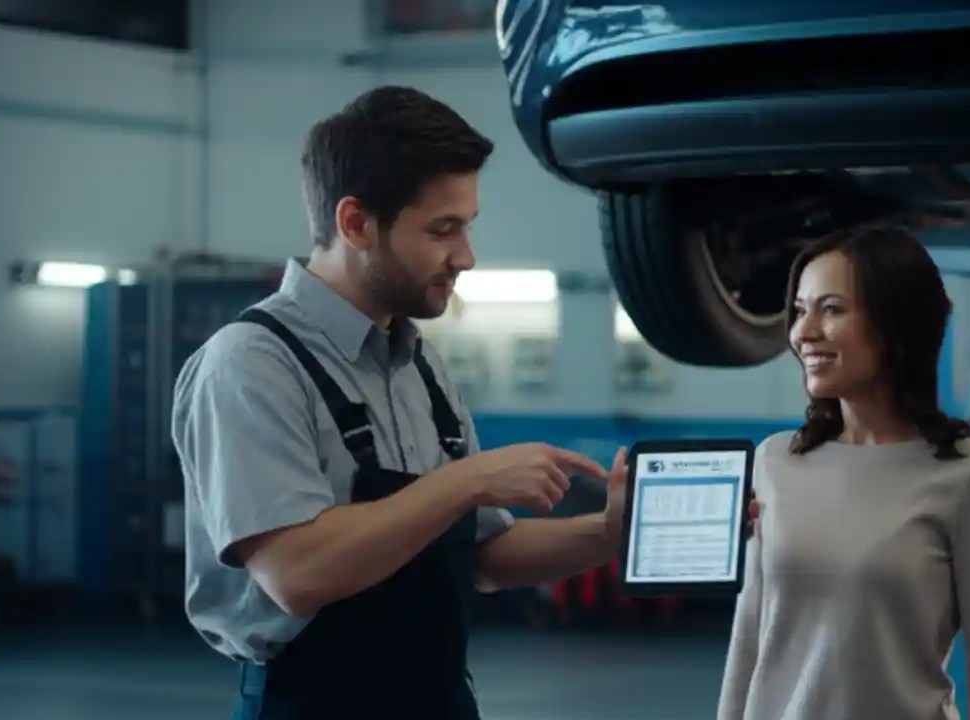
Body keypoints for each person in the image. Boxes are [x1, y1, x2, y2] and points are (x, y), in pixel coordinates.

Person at [171, 85, 632, 719]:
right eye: (443, 230)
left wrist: (615, 532)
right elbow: (297, 573)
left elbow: (481, 559)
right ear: (355, 223)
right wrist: (467, 481)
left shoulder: (419, 365)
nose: (465, 257)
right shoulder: (252, 363)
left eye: (467, 227)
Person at [717, 226, 970, 720]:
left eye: (831, 309)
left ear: (893, 325)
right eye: (799, 310)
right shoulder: (774, 462)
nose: (804, 332)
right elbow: (749, 646)